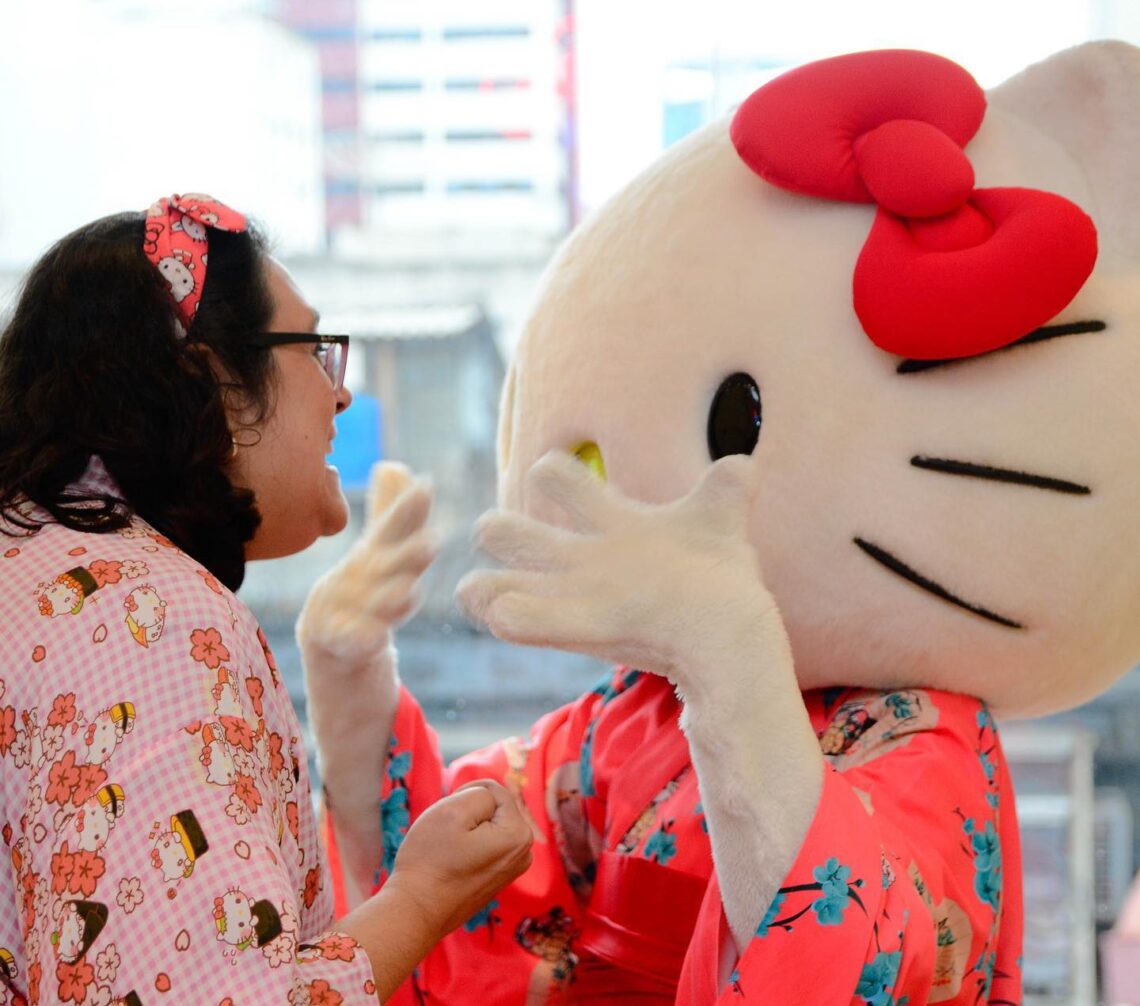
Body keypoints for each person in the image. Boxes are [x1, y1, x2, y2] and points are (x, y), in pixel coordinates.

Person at [0, 193, 532, 1005]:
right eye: (315, 351)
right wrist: (421, 898)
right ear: (211, 376)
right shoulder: (151, 622)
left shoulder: (36, 567)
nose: (340, 394)